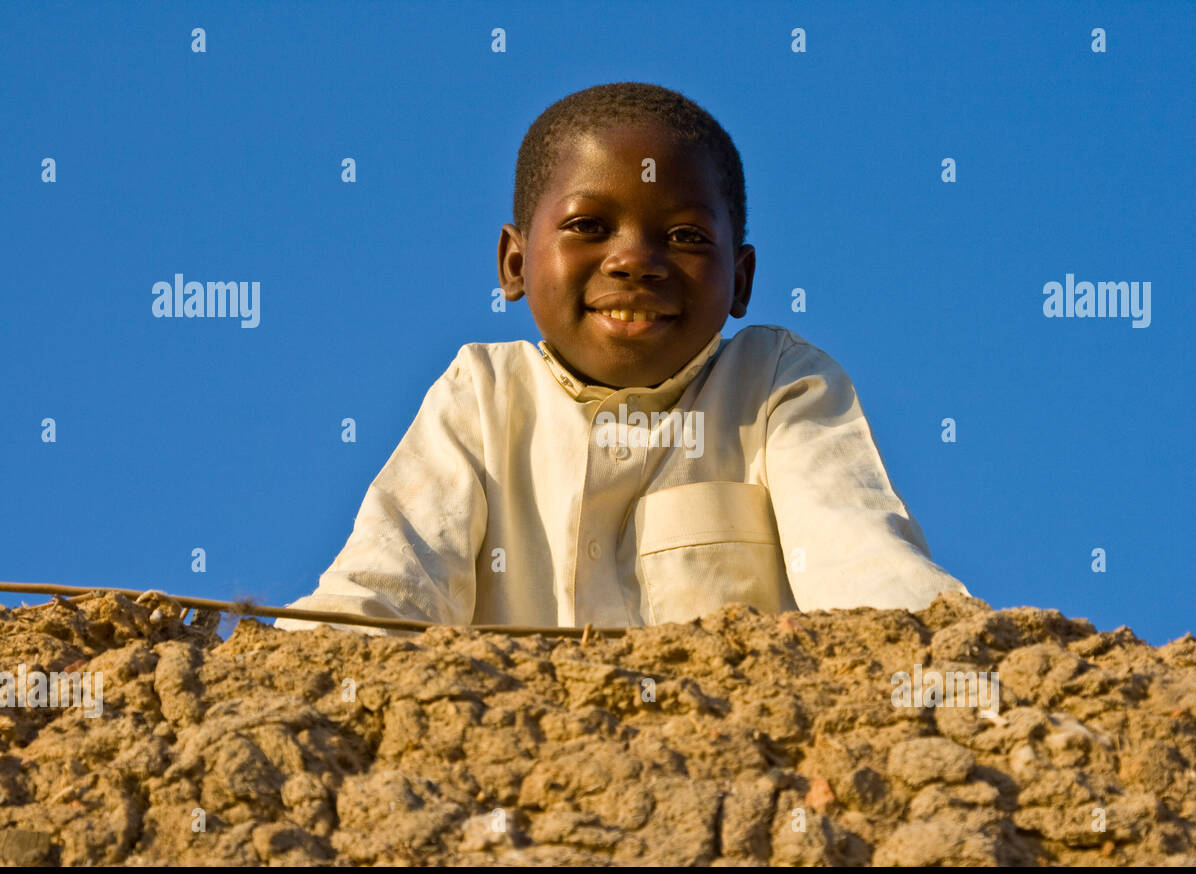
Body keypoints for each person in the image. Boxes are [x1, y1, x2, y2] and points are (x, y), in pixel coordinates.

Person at [274, 81, 970, 637]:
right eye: (589, 226)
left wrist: (958, 656)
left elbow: (865, 566)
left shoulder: (776, 386)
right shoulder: (484, 397)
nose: (636, 258)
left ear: (742, 280)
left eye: (686, 236)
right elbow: (386, 588)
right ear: (514, 264)